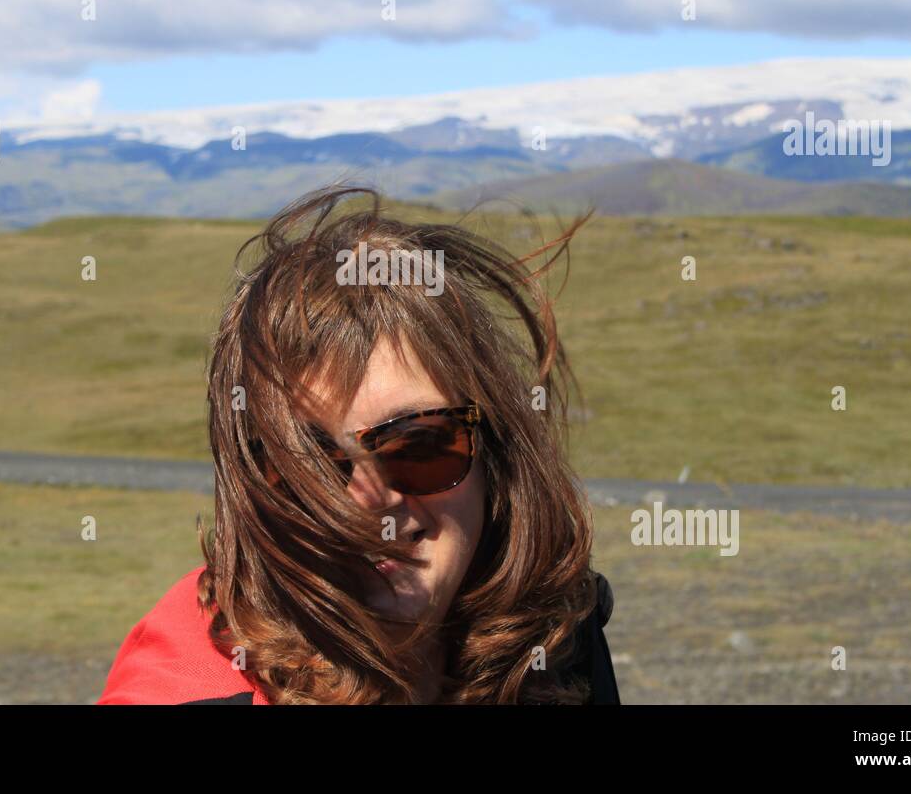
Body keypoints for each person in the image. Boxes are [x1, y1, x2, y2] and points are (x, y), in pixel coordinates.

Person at [98, 185, 619, 704]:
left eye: (418, 444)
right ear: (252, 487)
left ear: (496, 450)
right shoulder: (187, 691)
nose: (370, 500)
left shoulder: (555, 637)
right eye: (309, 465)